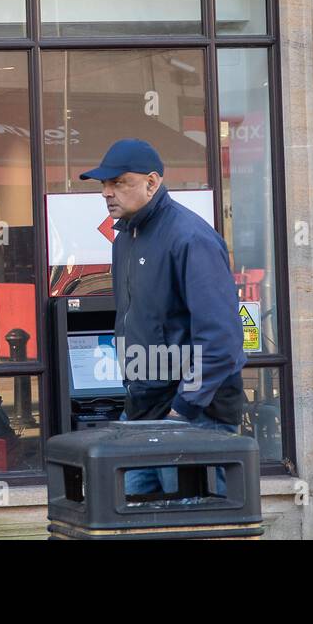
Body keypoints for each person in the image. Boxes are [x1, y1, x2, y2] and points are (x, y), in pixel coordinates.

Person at [78, 138, 246, 499]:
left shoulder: (190, 238)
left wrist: (182, 408)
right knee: (124, 516)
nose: (108, 192)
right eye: (104, 184)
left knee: (195, 526)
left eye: (119, 182)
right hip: (143, 411)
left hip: (194, 417)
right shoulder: (125, 238)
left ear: (152, 182)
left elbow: (222, 340)